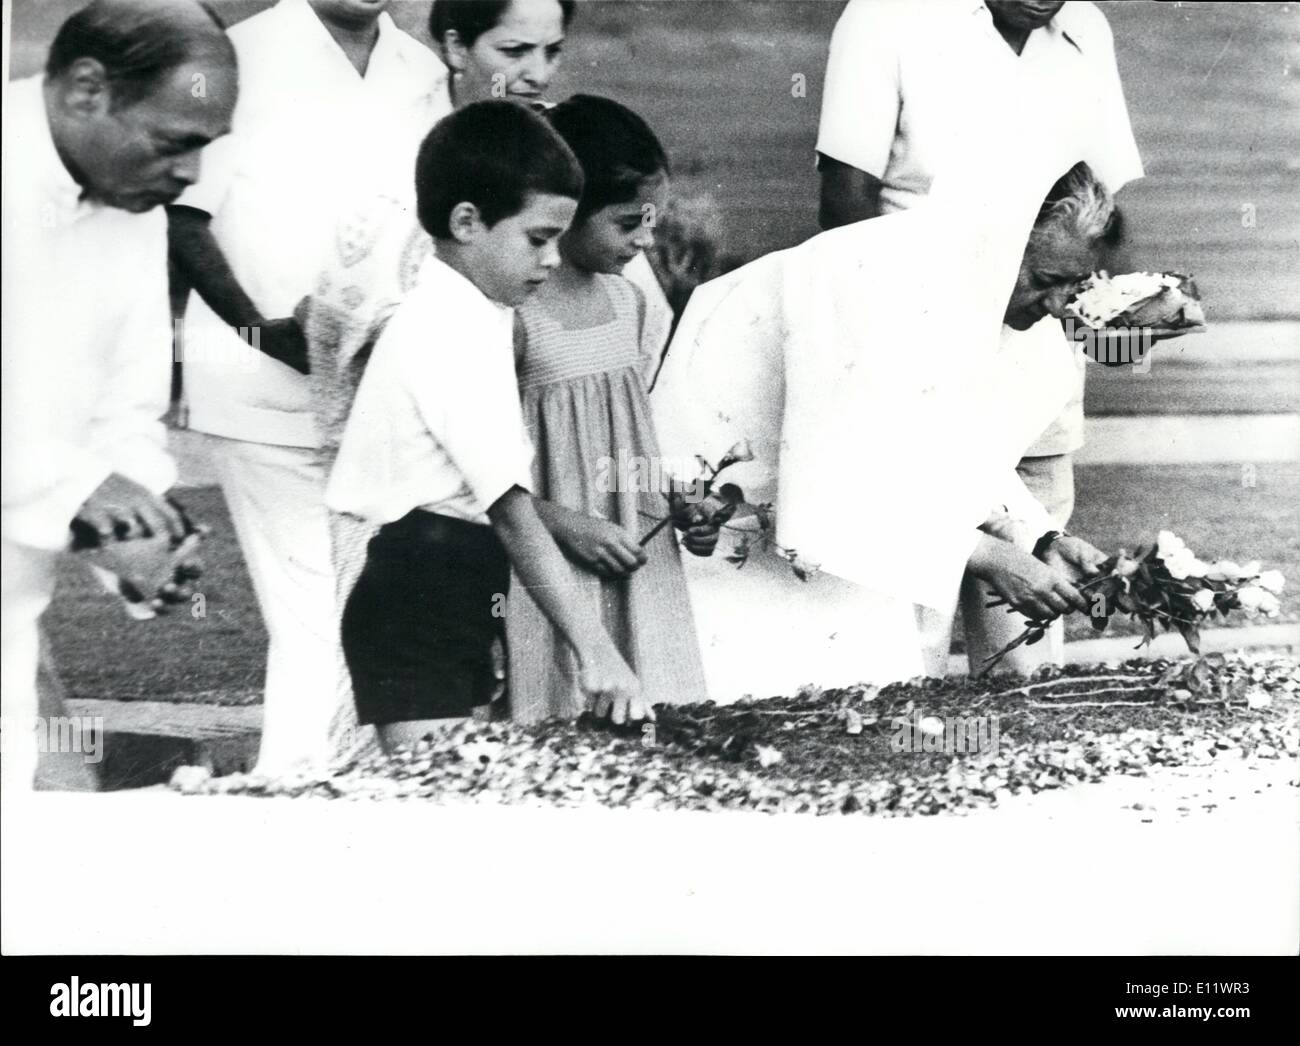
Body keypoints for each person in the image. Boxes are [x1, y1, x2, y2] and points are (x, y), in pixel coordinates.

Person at [652, 121, 1115, 702]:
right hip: (737, 525)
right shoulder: (869, 284)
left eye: (1071, 284)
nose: (1055, 304)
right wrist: (988, 555)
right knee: (751, 716)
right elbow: (829, 490)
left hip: (848, 548)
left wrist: (1038, 536)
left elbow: (954, 449)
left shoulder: (989, 301)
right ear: (991, 243)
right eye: (1045, 280)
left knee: (864, 719)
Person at [815, 0, 1144, 674]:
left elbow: (1103, 206)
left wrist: (1124, 304)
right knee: (907, 634)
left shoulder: (1086, 30)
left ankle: (1015, 740)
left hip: (1036, 355)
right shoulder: (883, 18)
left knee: (1029, 625)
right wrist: (882, 349)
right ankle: (910, 740)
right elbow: (845, 202)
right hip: (913, 343)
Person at [167, 0, 450, 776]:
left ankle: (332, 790)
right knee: (315, 617)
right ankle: (296, 796)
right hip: (261, 388)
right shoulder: (237, 55)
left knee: (371, 610)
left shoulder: (422, 71)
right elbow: (184, 218)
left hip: (377, 387)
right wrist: (262, 333)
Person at [326, 102, 647, 749]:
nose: (554, 259)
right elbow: (510, 511)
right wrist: (597, 652)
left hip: (457, 579)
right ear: (467, 222)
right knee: (431, 807)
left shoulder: (481, 310)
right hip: (414, 587)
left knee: (456, 798)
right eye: (537, 238)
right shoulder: (449, 327)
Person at [2, 0, 237, 793]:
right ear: (87, 91)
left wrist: (144, 541)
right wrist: (79, 493)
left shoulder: (134, 204)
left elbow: (126, 415)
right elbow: (75, 477)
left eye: (206, 148)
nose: (192, 174)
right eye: (176, 142)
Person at [506, 96, 709, 724]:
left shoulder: (632, 305)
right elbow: (472, 472)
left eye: (652, 220)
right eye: (628, 223)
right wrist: (567, 526)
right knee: (559, 726)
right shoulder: (516, 318)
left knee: (655, 725)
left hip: (634, 560)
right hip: (545, 563)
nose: (647, 240)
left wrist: (679, 501)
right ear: (567, 212)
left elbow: (631, 438)